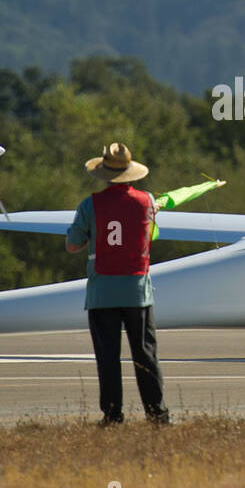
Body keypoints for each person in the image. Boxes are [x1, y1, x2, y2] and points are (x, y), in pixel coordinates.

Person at [66, 142, 170, 427]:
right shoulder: (147, 201)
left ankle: (113, 416)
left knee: (108, 357)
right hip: (137, 290)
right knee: (146, 355)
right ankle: (157, 414)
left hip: (103, 292)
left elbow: (72, 245)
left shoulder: (90, 205)